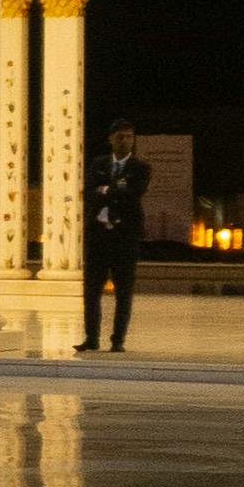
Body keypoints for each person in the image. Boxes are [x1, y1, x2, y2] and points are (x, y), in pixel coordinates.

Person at [81, 122, 150, 354]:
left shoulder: (140, 167)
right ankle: (91, 338)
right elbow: (88, 192)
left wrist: (105, 190)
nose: (124, 141)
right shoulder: (98, 164)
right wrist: (115, 189)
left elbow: (133, 193)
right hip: (98, 235)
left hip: (124, 237)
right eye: (120, 137)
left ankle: (117, 340)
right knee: (91, 290)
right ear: (111, 139)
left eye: (129, 137)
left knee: (123, 292)